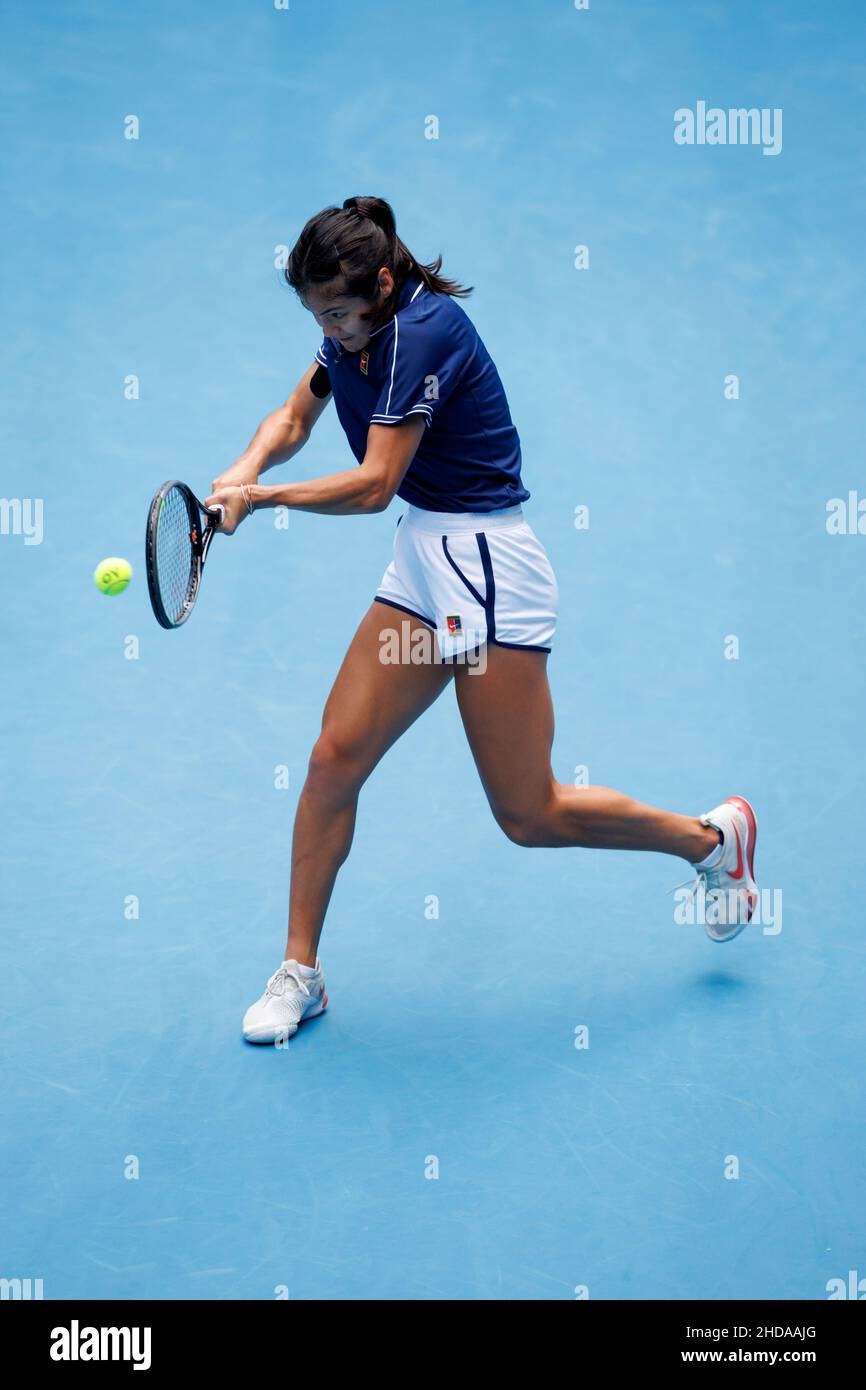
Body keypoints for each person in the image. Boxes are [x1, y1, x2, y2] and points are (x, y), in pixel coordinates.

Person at [206, 195, 759, 1046]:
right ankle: (301, 973)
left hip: (489, 576)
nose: (332, 330)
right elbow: (294, 414)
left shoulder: (424, 334)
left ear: (383, 283)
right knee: (332, 759)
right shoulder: (353, 330)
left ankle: (710, 842)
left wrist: (266, 498)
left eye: (341, 313)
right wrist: (242, 467)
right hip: (427, 565)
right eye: (319, 316)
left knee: (528, 814)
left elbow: (373, 484)